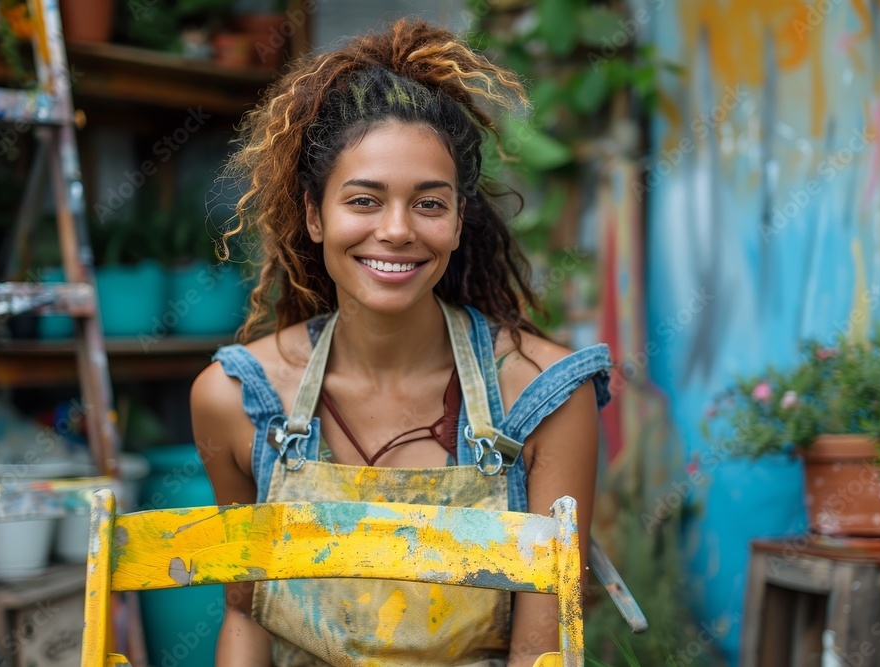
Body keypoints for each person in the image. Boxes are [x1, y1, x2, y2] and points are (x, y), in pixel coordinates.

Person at [191, 17, 611, 667]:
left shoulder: (543, 396)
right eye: (363, 200)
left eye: (429, 203)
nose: (396, 230)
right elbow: (245, 615)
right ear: (313, 214)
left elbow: (543, 649)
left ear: (457, 219)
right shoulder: (236, 399)